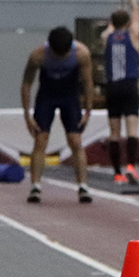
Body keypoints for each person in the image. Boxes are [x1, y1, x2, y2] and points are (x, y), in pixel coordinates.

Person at [21, 26, 95, 205]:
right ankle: (35, 186)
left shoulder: (81, 54)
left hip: (69, 98)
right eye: (57, 54)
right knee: (41, 139)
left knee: (76, 141)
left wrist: (88, 111)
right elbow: (26, 84)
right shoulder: (38, 56)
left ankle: (83, 186)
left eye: (64, 53)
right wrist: (27, 115)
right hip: (47, 97)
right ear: (50, 48)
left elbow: (87, 82)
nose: (61, 57)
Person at [101, 0, 139, 185]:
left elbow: (112, 27)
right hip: (129, 86)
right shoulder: (133, 35)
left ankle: (117, 173)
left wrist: (113, 21)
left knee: (114, 132)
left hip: (112, 87)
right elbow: (136, 10)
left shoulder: (106, 37)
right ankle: (131, 166)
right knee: (132, 129)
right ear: (127, 23)